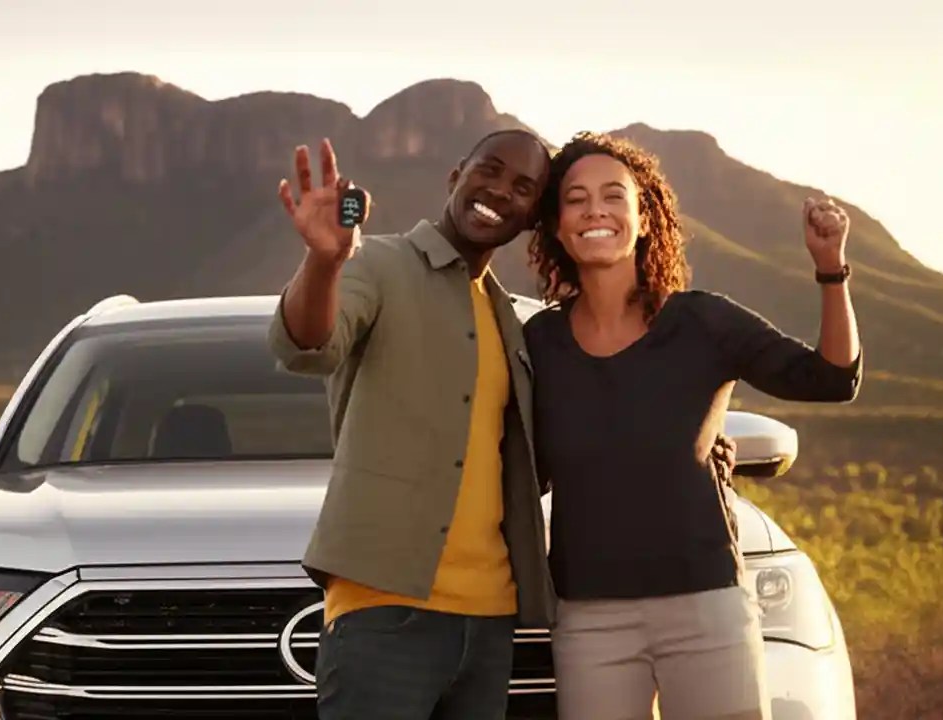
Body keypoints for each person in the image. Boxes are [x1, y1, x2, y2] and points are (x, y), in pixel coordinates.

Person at [267, 131, 740, 720]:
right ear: (456, 174)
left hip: (492, 622)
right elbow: (307, 344)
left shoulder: (515, 321)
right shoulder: (376, 263)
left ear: (531, 220)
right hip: (386, 610)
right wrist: (325, 259)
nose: (499, 191)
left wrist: (685, 445)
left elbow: (541, 454)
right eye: (489, 170)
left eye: (523, 188)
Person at [523, 131, 863, 720]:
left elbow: (832, 379)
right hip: (588, 617)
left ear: (644, 218)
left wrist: (832, 271)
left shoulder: (702, 322)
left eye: (613, 196)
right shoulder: (539, 343)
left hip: (706, 607)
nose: (595, 210)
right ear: (557, 226)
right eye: (575, 199)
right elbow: (523, 467)